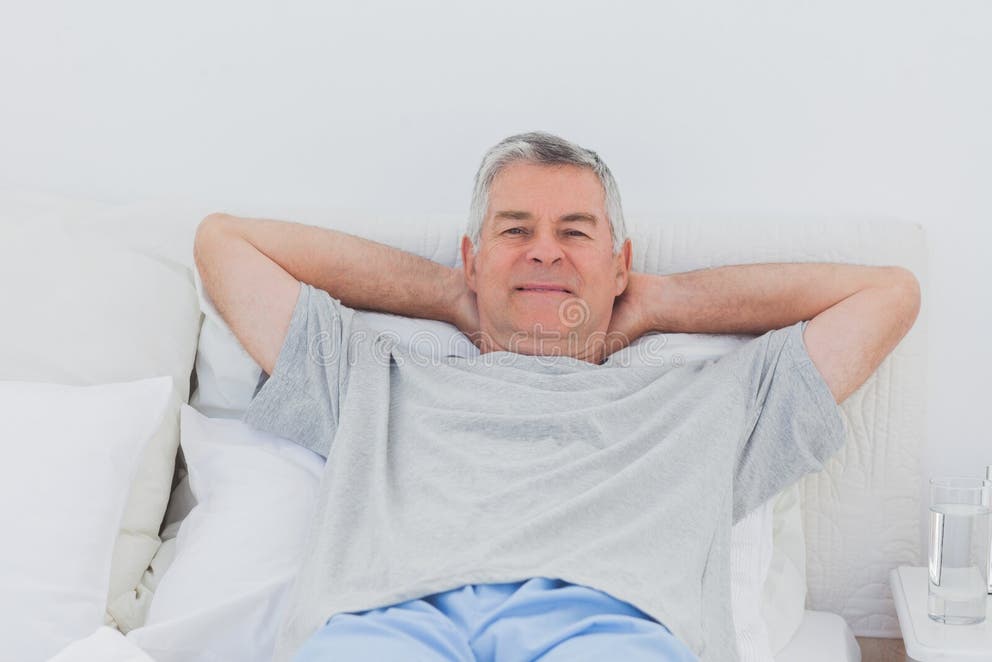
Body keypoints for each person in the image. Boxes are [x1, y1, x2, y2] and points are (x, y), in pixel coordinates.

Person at [193, 131, 920, 661]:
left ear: (620, 265)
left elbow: (887, 294)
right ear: (472, 258)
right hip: (387, 623)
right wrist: (449, 294)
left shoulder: (707, 400)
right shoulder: (371, 375)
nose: (545, 250)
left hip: (609, 629)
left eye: (575, 233)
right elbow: (224, 244)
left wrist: (660, 301)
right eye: (516, 232)